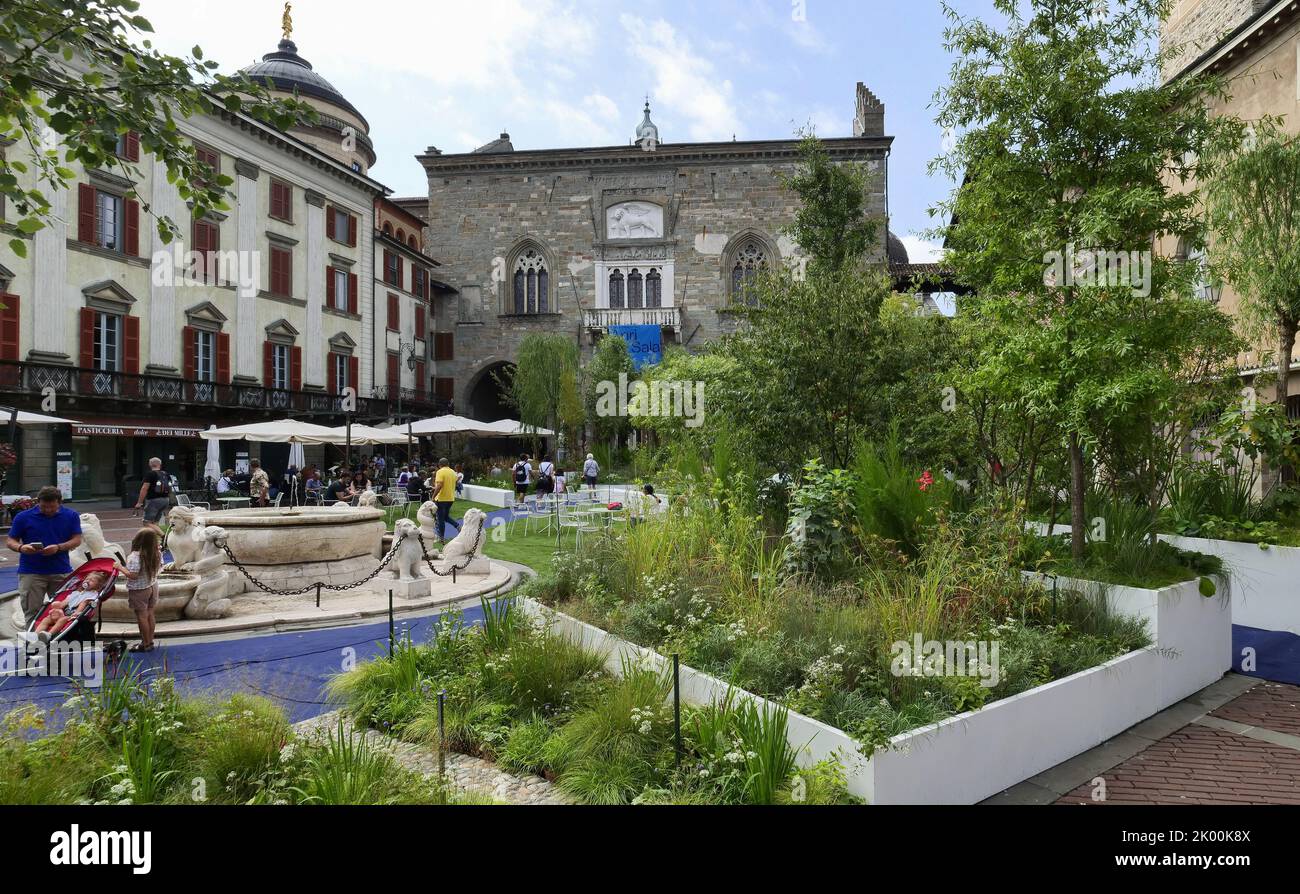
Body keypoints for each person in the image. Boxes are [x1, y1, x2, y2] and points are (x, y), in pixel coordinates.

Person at [6, 486, 83, 626]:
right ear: (38, 502)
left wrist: (59, 547)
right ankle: (32, 644)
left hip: (61, 569)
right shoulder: (23, 517)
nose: (47, 510)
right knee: (32, 611)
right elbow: (11, 540)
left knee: (64, 610)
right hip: (31, 571)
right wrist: (21, 547)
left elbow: (77, 539)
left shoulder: (71, 515)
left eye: (52, 507)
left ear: (60, 502)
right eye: (44, 507)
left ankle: (59, 642)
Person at [118, 528, 162, 653]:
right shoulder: (157, 553)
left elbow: (133, 575)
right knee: (150, 613)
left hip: (139, 590)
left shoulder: (135, 556)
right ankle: (150, 641)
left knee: (142, 616)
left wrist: (120, 567)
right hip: (153, 585)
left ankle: (145, 644)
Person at [32, 570, 109, 641]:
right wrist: (56, 604)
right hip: (63, 613)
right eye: (87, 579)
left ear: (98, 586)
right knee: (47, 619)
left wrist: (78, 612)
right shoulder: (75, 593)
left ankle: (49, 634)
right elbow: (63, 603)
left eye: (92, 580)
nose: (88, 581)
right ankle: (35, 635)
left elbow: (83, 604)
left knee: (62, 620)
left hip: (72, 616)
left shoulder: (92, 595)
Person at [135, 457, 172, 525]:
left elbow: (144, 489)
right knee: (155, 522)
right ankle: (155, 535)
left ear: (150, 464)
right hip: (165, 500)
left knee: (147, 523)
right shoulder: (166, 474)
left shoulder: (150, 474)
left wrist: (139, 503)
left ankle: (163, 535)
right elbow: (170, 488)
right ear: (160, 464)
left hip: (153, 501)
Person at [432, 458, 460, 543]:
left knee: (440, 518)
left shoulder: (440, 472)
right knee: (445, 517)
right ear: (448, 464)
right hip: (450, 498)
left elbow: (440, 485)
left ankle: (441, 538)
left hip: (441, 499)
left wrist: (433, 497)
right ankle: (458, 526)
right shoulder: (453, 472)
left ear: (439, 465)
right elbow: (453, 483)